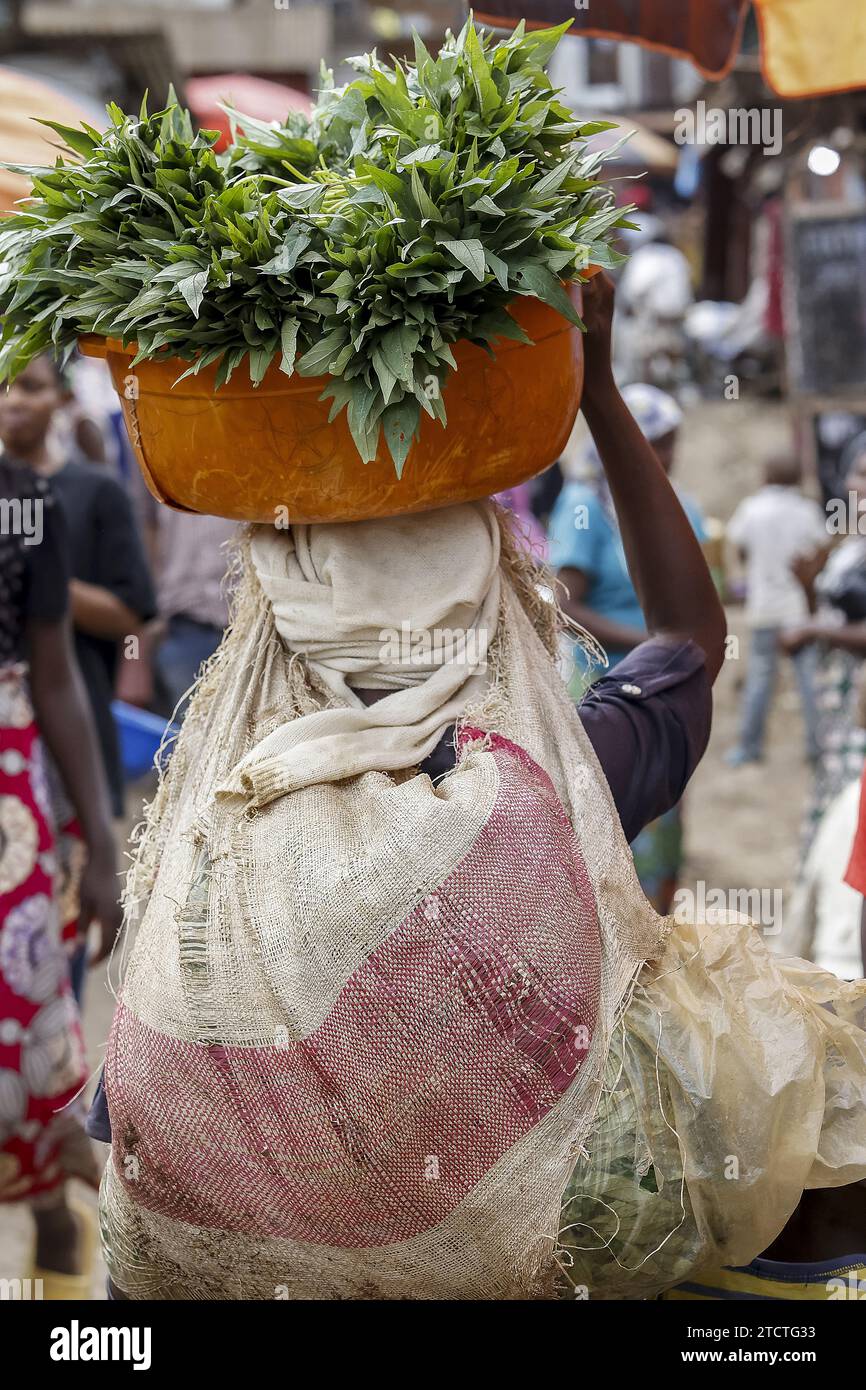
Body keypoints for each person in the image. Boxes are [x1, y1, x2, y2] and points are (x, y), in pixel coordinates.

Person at [91, 276, 866, 1301]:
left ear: (268, 628)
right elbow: (690, 637)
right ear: (488, 599)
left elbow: (126, 1116)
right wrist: (593, 388)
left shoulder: (214, 836)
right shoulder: (553, 787)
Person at [0, 454, 122, 1297]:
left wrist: (103, 840)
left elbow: (54, 667)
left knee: (24, 1023)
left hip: (9, 794)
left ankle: (50, 1198)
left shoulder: (23, 501)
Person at [548, 382, 707, 912]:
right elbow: (566, 606)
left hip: (666, 684)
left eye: (669, 442)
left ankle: (655, 931)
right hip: (607, 686)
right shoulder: (585, 506)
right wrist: (655, 644)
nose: (663, 455)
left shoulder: (679, 506)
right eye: (652, 441)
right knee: (607, 818)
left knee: (663, 814)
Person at [725, 455, 827, 767]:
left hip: (764, 607)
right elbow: (821, 548)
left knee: (759, 678)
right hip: (797, 610)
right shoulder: (806, 511)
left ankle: (750, 747)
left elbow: (738, 545)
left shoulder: (751, 509)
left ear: (765, 475)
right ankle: (817, 747)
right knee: (809, 680)